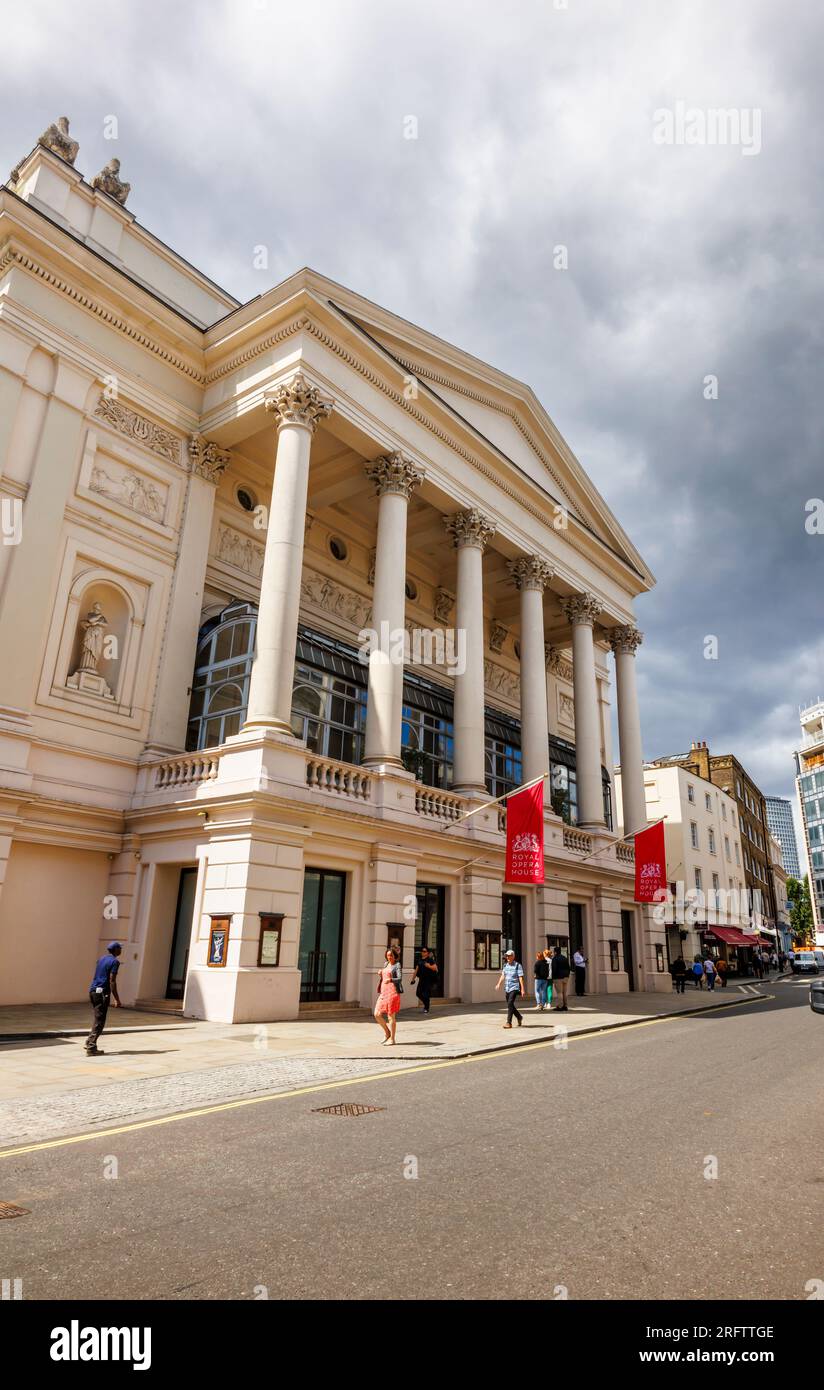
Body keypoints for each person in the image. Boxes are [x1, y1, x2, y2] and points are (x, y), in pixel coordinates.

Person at [86, 942, 123, 1056]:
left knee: (98, 1018)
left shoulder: (101, 959)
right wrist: (117, 998)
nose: (121, 949)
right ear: (115, 949)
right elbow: (112, 980)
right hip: (102, 993)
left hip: (93, 991)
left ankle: (89, 1042)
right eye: (120, 948)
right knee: (100, 1020)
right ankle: (91, 1047)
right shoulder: (115, 962)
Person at [374, 947, 403, 1045]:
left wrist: (390, 980)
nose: (389, 957)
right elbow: (384, 976)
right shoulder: (386, 964)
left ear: (395, 956)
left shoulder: (397, 965)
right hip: (383, 992)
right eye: (387, 955)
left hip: (392, 992)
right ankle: (387, 1033)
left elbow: (399, 978)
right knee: (377, 1014)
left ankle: (392, 1039)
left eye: (391, 955)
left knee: (391, 1016)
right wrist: (380, 974)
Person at [495, 949, 525, 1028]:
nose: (507, 957)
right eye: (507, 956)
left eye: (509, 956)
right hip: (507, 987)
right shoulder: (505, 965)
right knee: (510, 1005)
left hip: (514, 987)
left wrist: (522, 989)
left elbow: (520, 977)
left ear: (513, 956)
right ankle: (519, 1017)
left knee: (510, 1003)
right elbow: (503, 976)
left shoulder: (518, 965)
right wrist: (498, 984)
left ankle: (509, 1023)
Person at [411, 945, 438, 1016]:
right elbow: (416, 970)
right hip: (421, 979)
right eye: (422, 951)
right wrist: (413, 979)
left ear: (427, 953)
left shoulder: (430, 960)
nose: (423, 952)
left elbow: (435, 968)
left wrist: (429, 966)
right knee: (418, 993)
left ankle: (426, 1007)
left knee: (426, 994)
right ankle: (426, 1004)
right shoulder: (419, 960)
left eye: (424, 951)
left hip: (428, 980)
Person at [550, 945, 571, 1011]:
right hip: (566, 977)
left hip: (558, 977)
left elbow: (554, 969)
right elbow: (568, 967)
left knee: (559, 992)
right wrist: (567, 975)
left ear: (555, 952)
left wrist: (553, 978)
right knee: (564, 992)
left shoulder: (555, 958)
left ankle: (560, 1006)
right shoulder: (564, 958)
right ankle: (565, 1006)